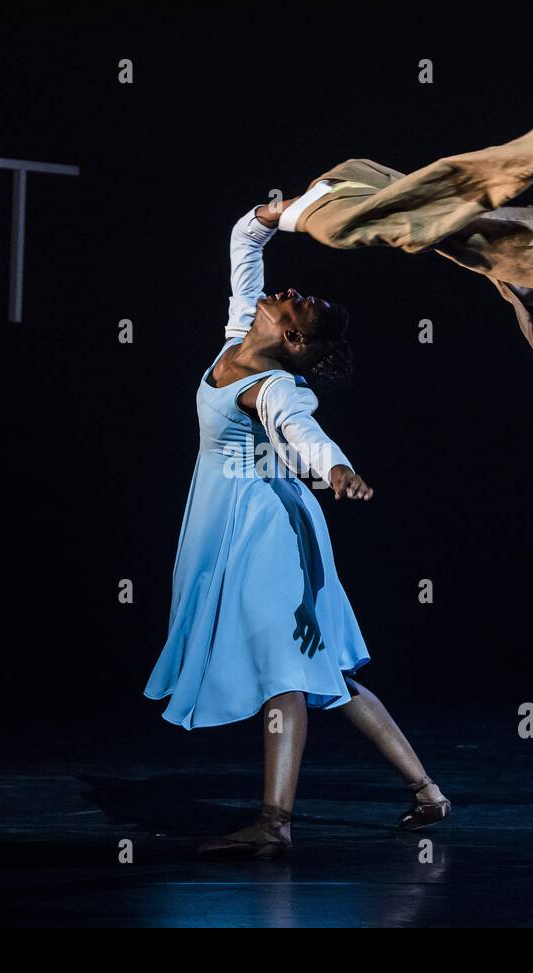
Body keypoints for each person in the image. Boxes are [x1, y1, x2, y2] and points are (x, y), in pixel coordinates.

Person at [143, 198, 452, 859]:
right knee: (328, 679)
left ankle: (275, 821)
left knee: (289, 669)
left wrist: (335, 468)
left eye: (294, 304)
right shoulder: (237, 335)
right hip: (233, 516)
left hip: (266, 528)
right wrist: (278, 212)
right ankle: (426, 791)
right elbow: (244, 246)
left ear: (292, 341)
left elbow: (302, 432)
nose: (284, 292)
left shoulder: (274, 385)